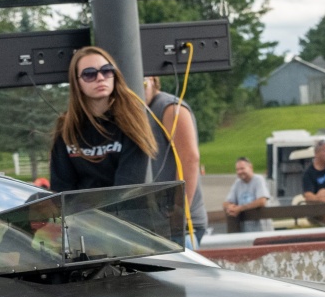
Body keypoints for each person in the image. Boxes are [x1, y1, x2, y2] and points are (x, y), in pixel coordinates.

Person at [48, 47, 179, 218]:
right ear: (77, 82)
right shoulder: (66, 128)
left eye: (106, 70)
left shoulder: (132, 122)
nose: (100, 78)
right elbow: (62, 190)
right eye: (89, 74)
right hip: (82, 223)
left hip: (128, 222)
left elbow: (126, 190)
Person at [143, 76, 207, 244]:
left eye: (143, 82)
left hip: (179, 229)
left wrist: (178, 212)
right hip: (155, 227)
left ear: (153, 79)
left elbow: (189, 159)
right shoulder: (142, 110)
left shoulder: (169, 107)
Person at [223, 157, 271, 230]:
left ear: (250, 167)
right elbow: (226, 203)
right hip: (245, 230)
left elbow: (262, 201)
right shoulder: (237, 183)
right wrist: (230, 207)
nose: (239, 172)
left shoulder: (258, 180)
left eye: (242, 169)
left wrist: (240, 208)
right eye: (237, 169)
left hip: (261, 229)